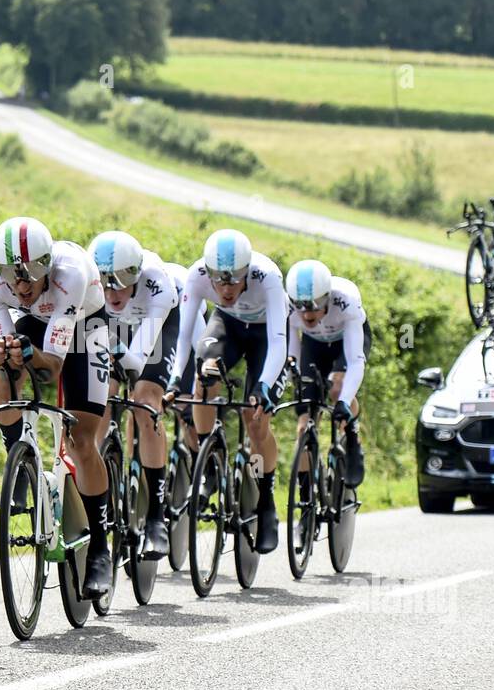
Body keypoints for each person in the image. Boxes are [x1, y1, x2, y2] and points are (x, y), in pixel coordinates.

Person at [0, 216, 115, 597]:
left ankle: (101, 547)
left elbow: (52, 367)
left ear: (47, 265)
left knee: (82, 440)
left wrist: (28, 353)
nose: (20, 285)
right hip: (34, 322)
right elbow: (4, 348)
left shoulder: (69, 274)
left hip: (86, 328)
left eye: (30, 275)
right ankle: (19, 462)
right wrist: (5, 353)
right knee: (4, 373)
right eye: (11, 276)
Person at [167, 229, 288, 554]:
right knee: (205, 372)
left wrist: (263, 387)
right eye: (220, 282)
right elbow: (182, 338)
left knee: (256, 418)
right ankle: (207, 461)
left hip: (266, 336)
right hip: (228, 326)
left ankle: (265, 501)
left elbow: (279, 341)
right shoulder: (197, 274)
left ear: (247, 271)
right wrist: (176, 378)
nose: (226, 288)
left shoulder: (269, 278)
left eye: (234, 281)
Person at [88, 231, 201, 560]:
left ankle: (155, 516)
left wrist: (112, 352)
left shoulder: (158, 285)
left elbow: (136, 362)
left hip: (154, 328)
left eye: (122, 280)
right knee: (98, 400)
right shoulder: (88, 285)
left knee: (145, 401)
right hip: (112, 331)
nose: (112, 289)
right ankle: (98, 486)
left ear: (136, 273)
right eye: (104, 281)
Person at [284, 259, 369, 488]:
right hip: (314, 344)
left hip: (345, 341)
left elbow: (355, 361)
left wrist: (342, 402)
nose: (307, 313)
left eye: (314, 305)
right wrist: (296, 381)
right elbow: (292, 354)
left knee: (339, 385)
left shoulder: (346, 301)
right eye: (300, 306)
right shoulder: (288, 308)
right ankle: (304, 501)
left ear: (327, 296)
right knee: (303, 427)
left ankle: (351, 436)